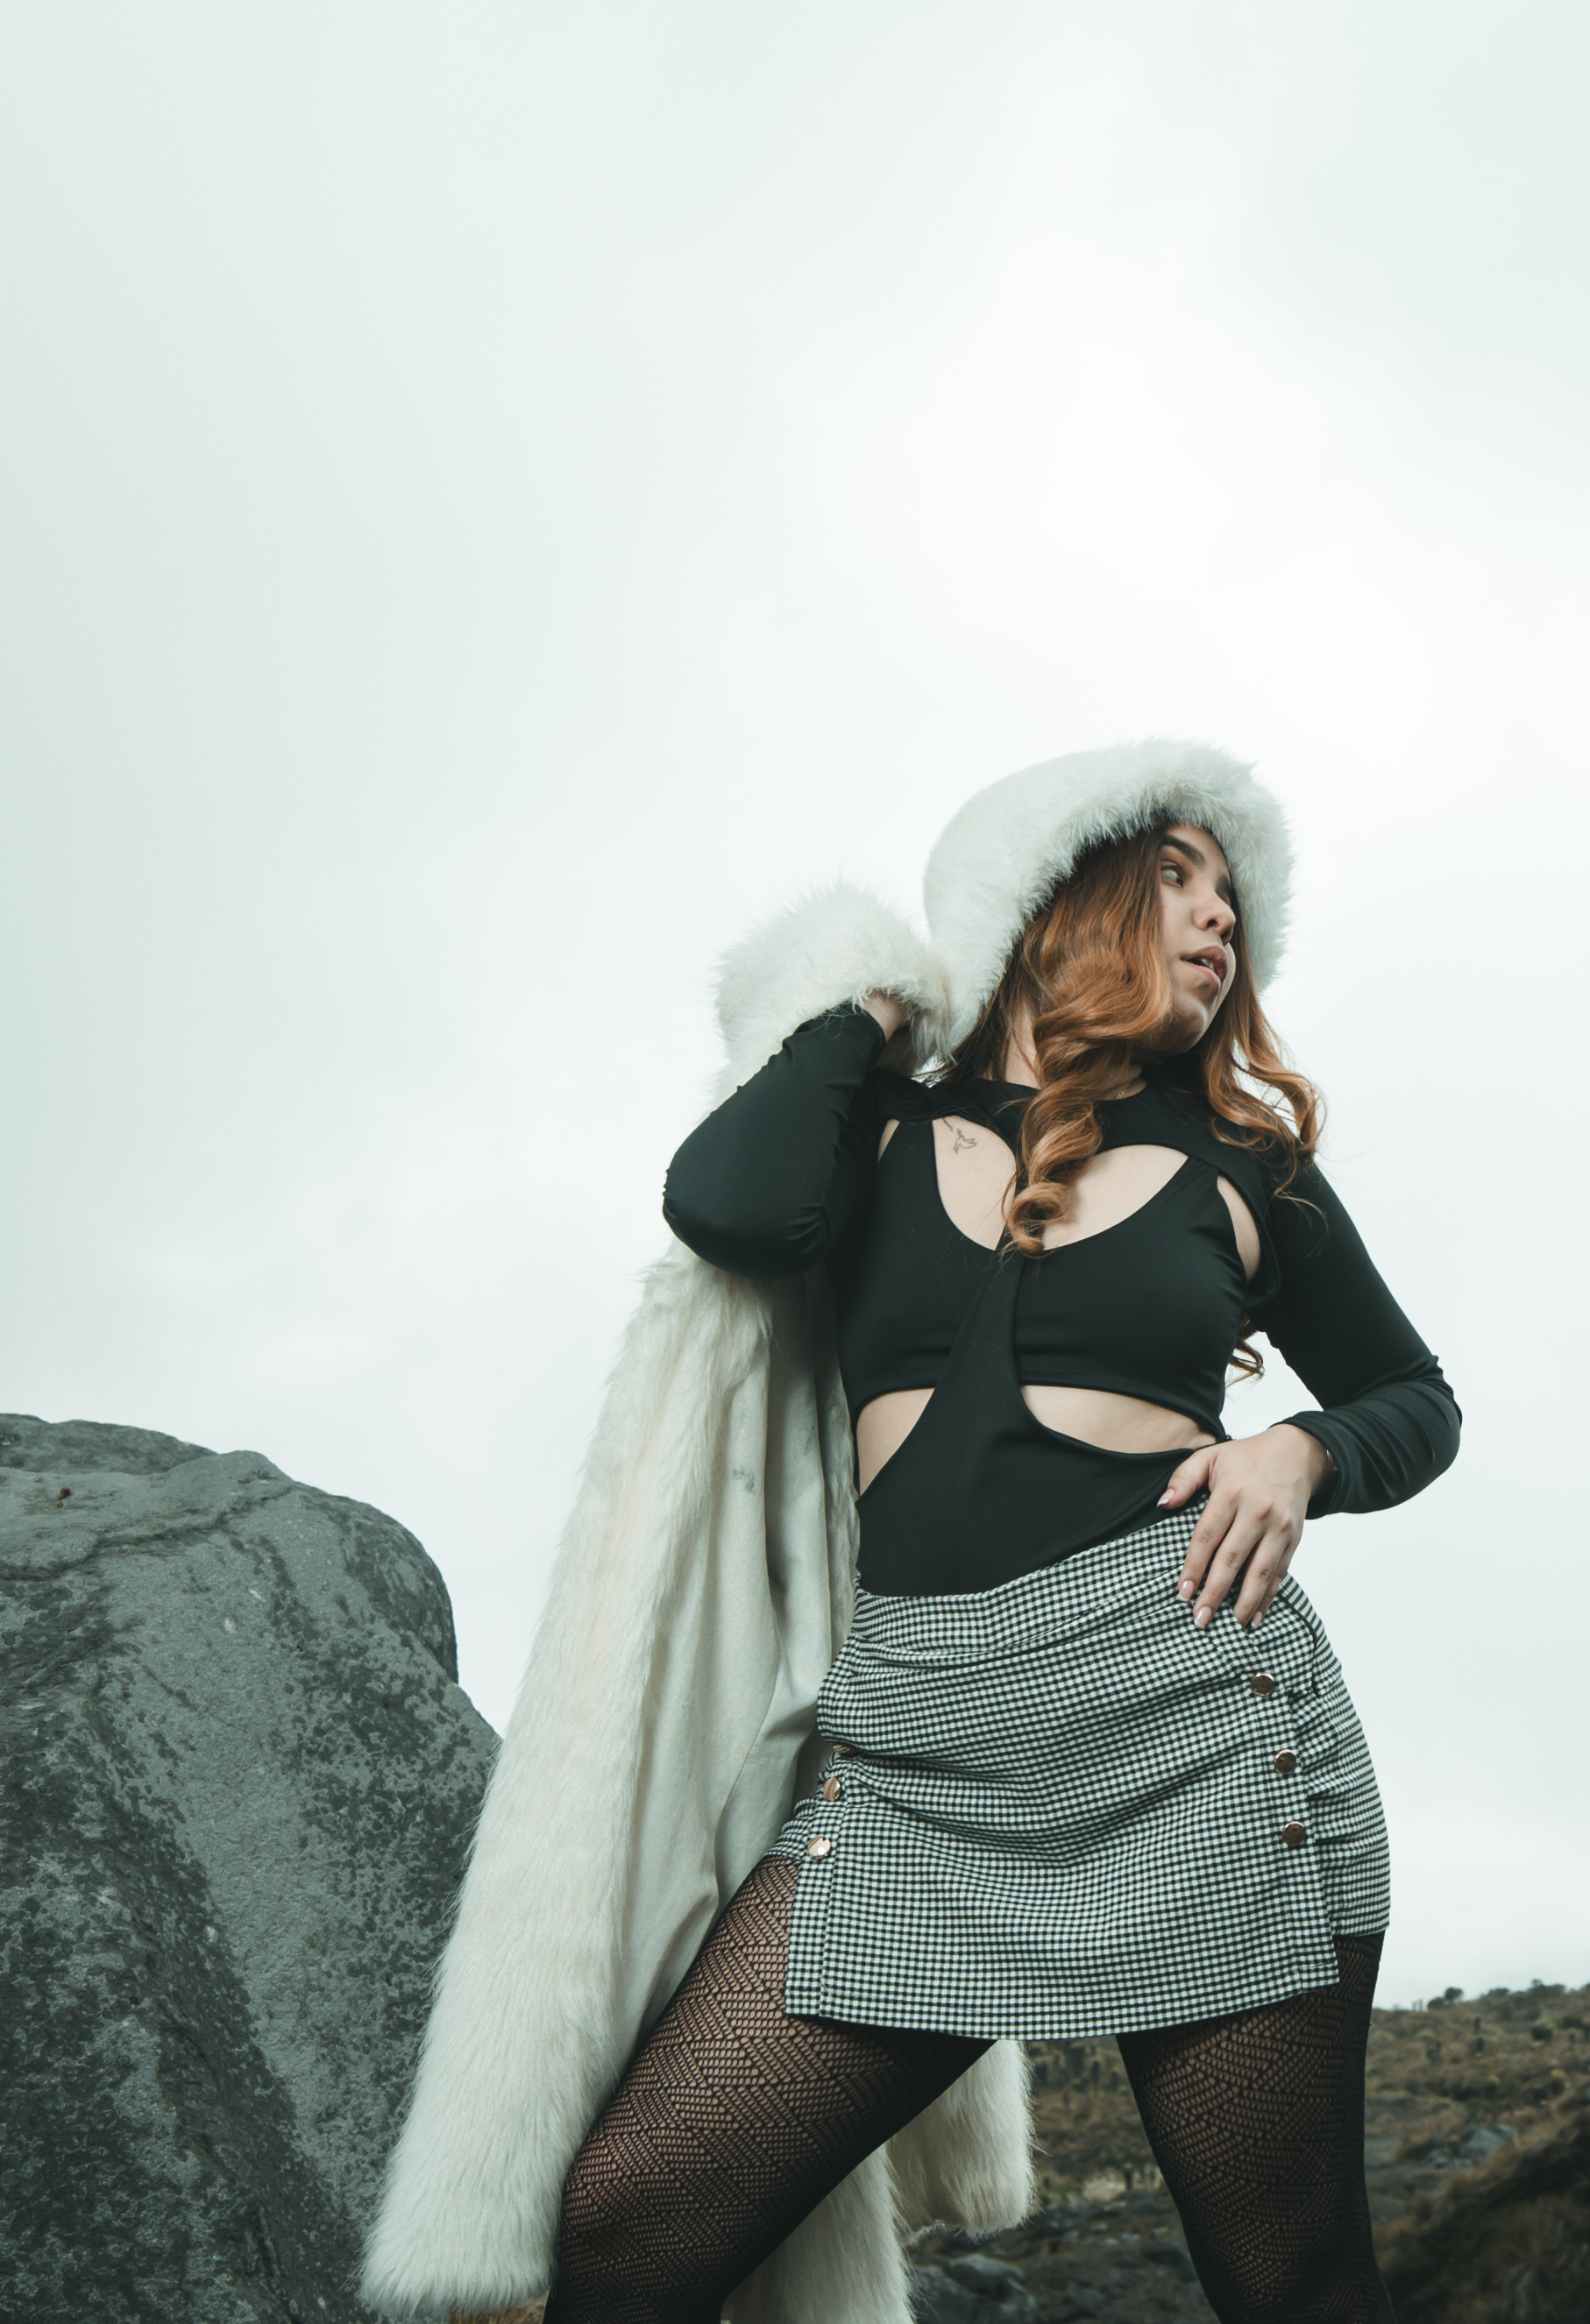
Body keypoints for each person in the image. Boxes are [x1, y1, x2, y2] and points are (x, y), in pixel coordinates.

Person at [359, 742, 1457, 2324]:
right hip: (919, 1754)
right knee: (632, 2224)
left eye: (1233, 898)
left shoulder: (1248, 1166)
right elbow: (728, 1205)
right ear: (1050, 891)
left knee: (1292, 2282)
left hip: (1200, 1721)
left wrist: (1305, 1448)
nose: (1222, 920)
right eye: (1175, 876)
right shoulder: (876, 1128)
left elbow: (1415, 1399)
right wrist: (871, 1002)